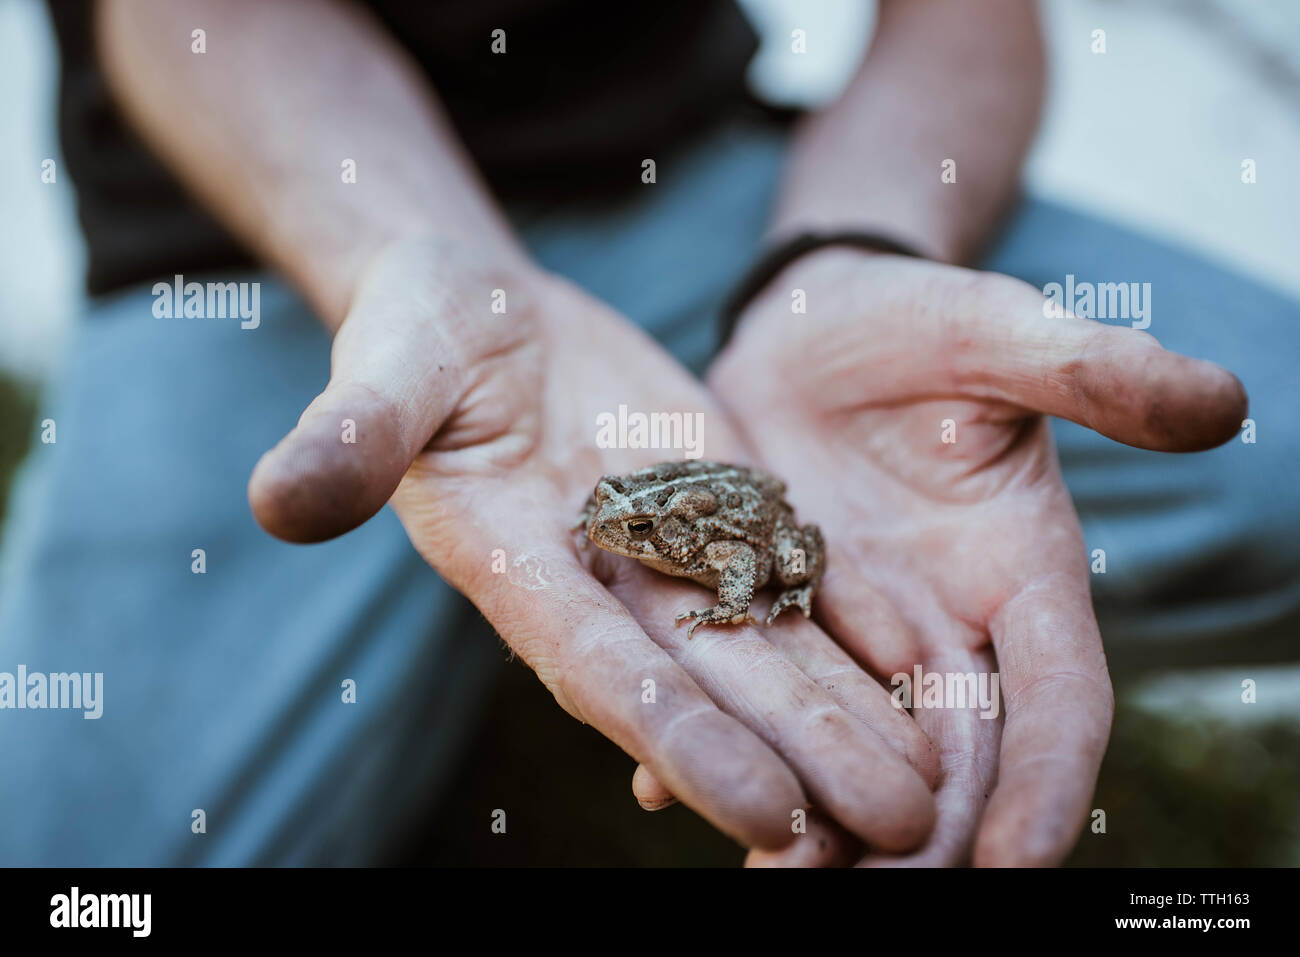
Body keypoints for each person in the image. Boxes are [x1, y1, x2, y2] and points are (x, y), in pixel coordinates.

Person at [0, 0, 1292, 867]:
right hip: (260, 238)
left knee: (1273, 459)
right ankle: (448, 640)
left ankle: (490, 648)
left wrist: (849, 245)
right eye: (620, 529)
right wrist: (398, 252)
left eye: (628, 528)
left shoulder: (688, 519)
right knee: (90, 863)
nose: (621, 530)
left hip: (701, 186)